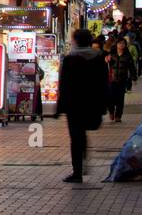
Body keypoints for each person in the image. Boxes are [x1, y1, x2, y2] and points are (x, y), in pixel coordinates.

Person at [57, 28, 109, 183]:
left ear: (75, 41)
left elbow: (64, 85)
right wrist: (104, 104)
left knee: (76, 137)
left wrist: (60, 107)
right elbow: (104, 83)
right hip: (92, 104)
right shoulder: (99, 58)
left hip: (74, 105)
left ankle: (77, 172)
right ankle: (83, 160)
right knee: (82, 135)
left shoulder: (70, 59)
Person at [106, 39, 134, 122]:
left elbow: (131, 67)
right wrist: (106, 60)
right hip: (112, 80)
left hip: (122, 80)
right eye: (119, 43)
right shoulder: (112, 55)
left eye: (123, 43)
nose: (121, 45)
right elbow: (106, 65)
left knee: (120, 99)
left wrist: (134, 77)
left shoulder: (127, 56)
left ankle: (118, 115)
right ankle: (111, 111)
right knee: (110, 98)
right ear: (116, 44)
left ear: (125, 45)